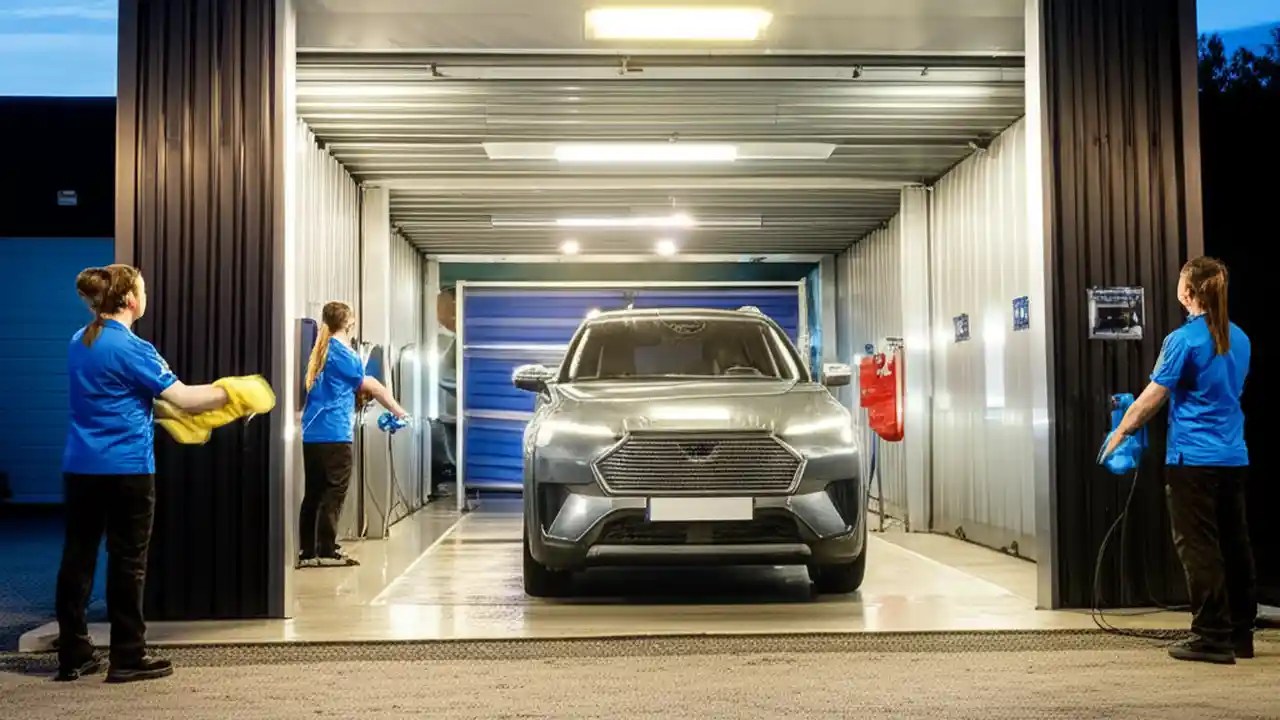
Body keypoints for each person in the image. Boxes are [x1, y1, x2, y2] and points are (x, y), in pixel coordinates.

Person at [57, 265, 230, 683]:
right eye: (143, 290)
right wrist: (238, 392)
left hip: (80, 466)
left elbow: (116, 397)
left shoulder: (79, 342)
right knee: (128, 562)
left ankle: (74, 653)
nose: (145, 295)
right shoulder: (134, 348)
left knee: (77, 558)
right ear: (131, 300)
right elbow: (186, 398)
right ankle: (128, 656)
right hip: (127, 470)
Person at [1101, 256, 1255, 664]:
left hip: (1193, 461)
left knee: (1199, 547)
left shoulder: (1183, 340)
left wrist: (1120, 433)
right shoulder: (1240, 338)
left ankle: (1211, 637)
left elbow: (1154, 396)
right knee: (1234, 543)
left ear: (1187, 292)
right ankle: (1241, 634)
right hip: (1233, 456)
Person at [298, 301, 408, 568]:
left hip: (312, 434)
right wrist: (399, 411)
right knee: (334, 492)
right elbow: (371, 385)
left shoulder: (320, 351)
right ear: (348, 322)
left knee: (313, 492)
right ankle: (325, 551)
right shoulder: (343, 354)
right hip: (335, 434)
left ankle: (308, 552)